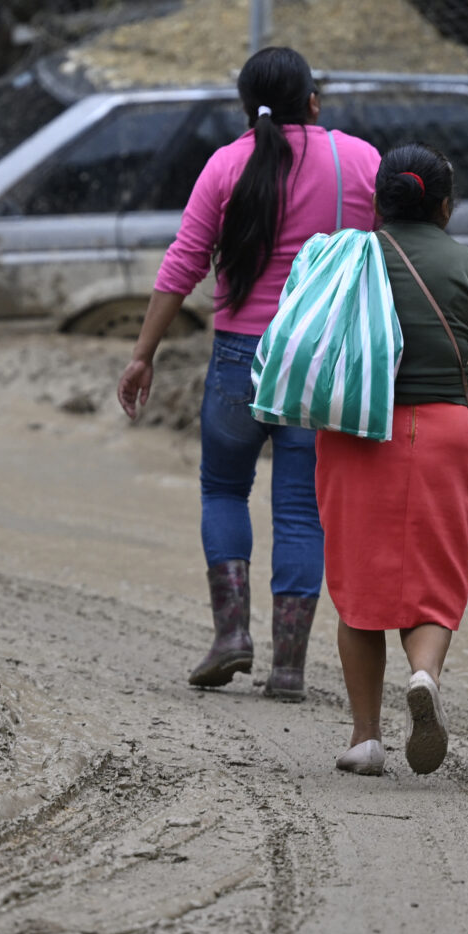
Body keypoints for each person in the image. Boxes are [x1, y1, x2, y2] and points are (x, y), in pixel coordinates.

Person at [117, 46, 381, 699]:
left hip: (239, 358)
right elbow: (393, 247)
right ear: (313, 102)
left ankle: (232, 634)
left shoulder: (225, 164)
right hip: (318, 365)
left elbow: (183, 264)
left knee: (223, 492)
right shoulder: (359, 160)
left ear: (245, 109)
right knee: (300, 512)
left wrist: (142, 353)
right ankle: (289, 667)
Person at [315, 143, 468, 776]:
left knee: (359, 585)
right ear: (445, 207)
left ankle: (365, 739)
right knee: (435, 579)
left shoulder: (344, 256)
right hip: (442, 431)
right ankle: (424, 675)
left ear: (377, 203)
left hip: (354, 431)